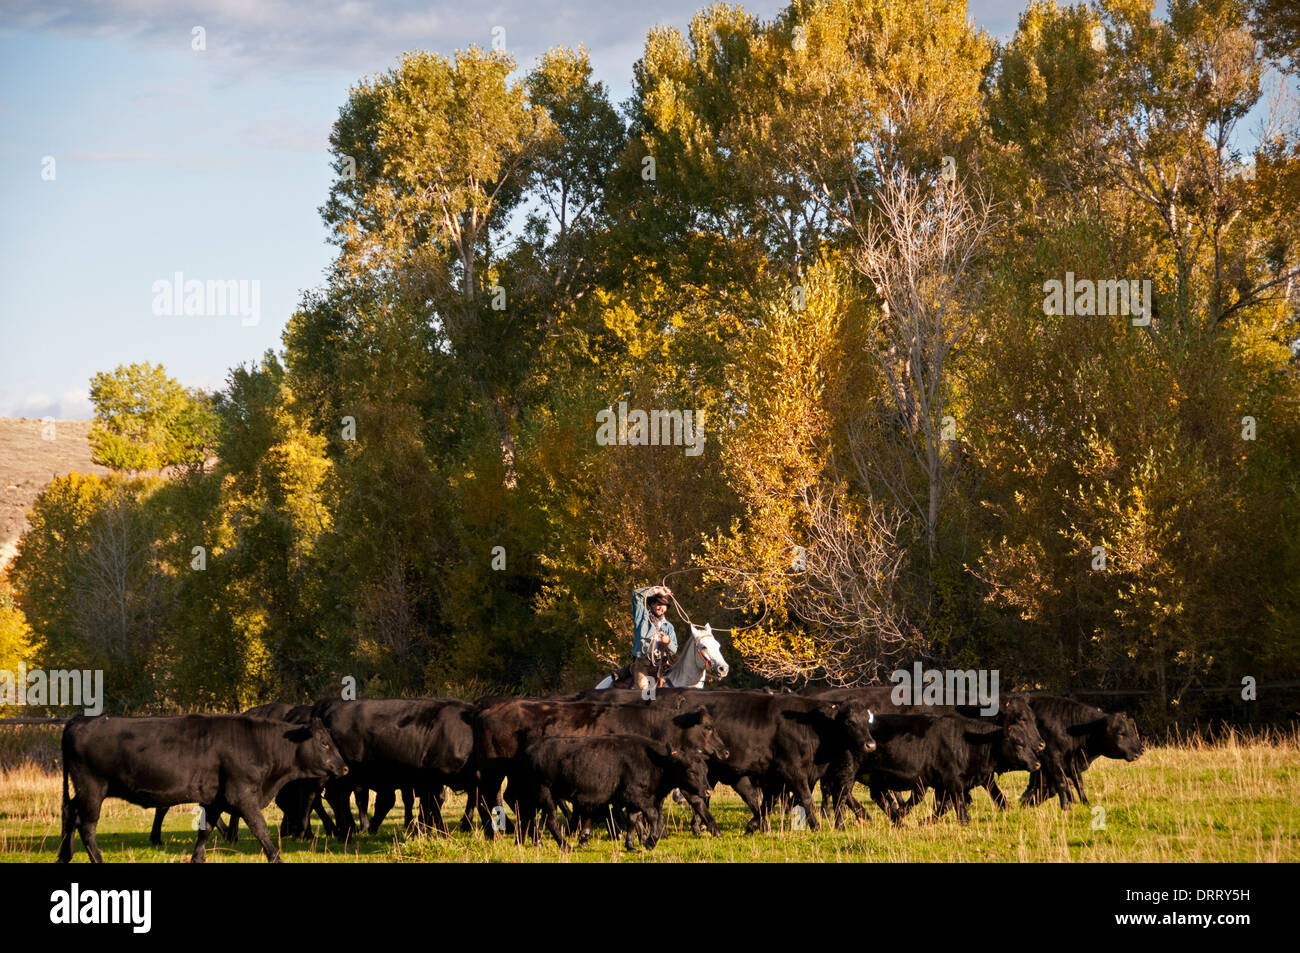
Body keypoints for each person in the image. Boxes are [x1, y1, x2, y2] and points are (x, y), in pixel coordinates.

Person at [630, 584, 677, 690]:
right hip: (643, 663)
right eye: (658, 604)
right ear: (652, 604)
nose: (661, 607)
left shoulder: (669, 627)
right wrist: (657, 590)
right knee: (643, 691)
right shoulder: (642, 618)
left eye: (664, 605)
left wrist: (668, 642)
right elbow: (636, 594)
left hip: (663, 665)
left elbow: (674, 650)